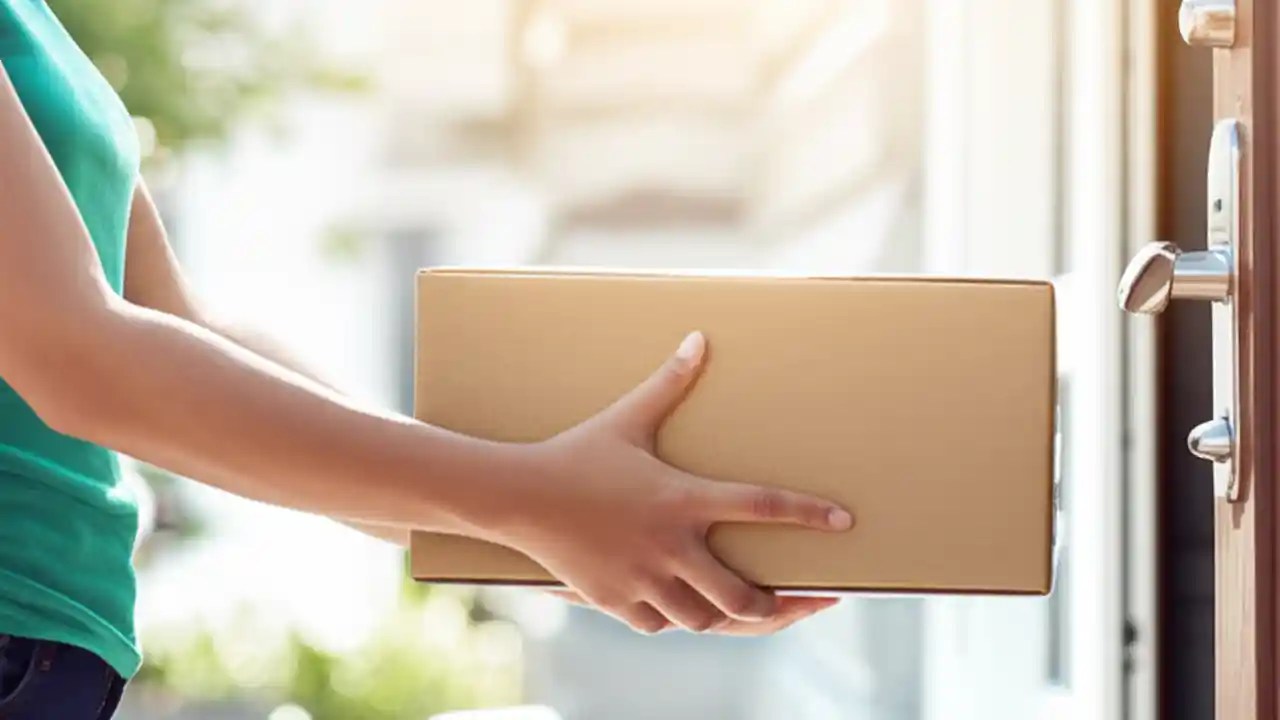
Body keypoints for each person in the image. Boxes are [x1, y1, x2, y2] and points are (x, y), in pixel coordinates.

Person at [0, 2, 854, 718]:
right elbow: (81, 360)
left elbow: (175, 321)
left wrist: (534, 530)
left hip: (58, 648)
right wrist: (541, 504)